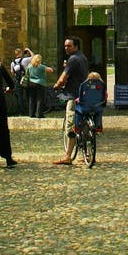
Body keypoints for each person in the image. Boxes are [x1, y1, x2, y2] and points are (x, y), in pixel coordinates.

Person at [53, 37, 89, 165]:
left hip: (74, 95)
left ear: (76, 46)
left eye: (69, 46)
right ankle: (86, 153)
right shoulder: (82, 57)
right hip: (85, 95)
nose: (66, 48)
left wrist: (57, 84)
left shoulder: (73, 59)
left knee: (71, 125)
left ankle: (68, 156)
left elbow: (63, 78)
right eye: (65, 46)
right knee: (83, 122)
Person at [25, 53, 54, 119]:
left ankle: (31, 114)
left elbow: (27, 74)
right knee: (40, 99)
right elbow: (51, 70)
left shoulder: (29, 66)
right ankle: (39, 114)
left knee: (31, 99)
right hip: (40, 84)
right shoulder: (41, 66)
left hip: (31, 83)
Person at [10, 46, 27, 114]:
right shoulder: (24, 60)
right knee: (28, 95)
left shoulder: (12, 63)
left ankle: (21, 111)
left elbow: (12, 72)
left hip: (17, 81)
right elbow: (34, 57)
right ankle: (28, 110)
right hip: (25, 80)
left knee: (19, 96)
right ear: (21, 53)